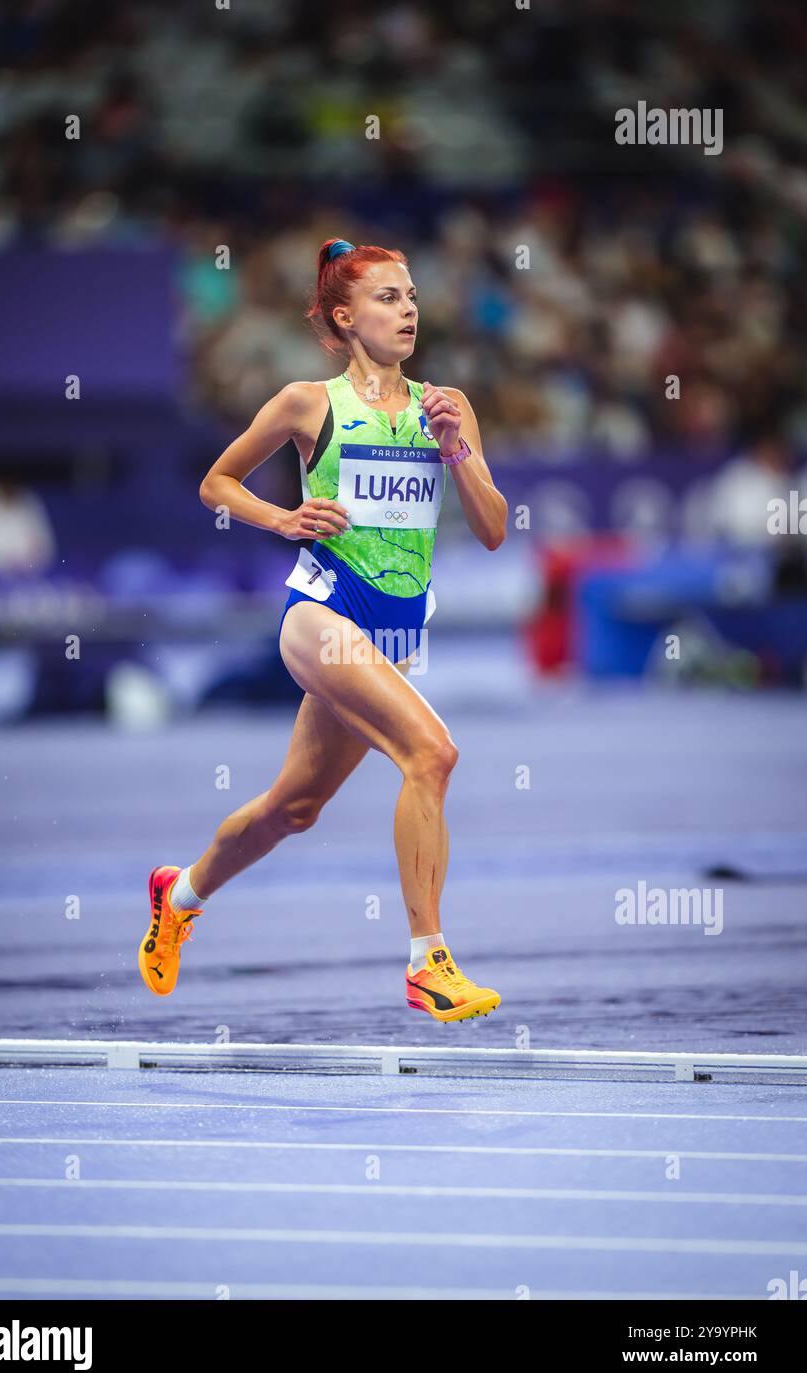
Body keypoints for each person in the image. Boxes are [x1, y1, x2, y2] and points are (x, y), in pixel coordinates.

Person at [138, 238, 508, 1022]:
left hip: (396, 638)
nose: (408, 310)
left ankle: (182, 891)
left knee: (292, 810)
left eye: (411, 296)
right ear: (345, 317)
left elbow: (494, 530)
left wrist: (458, 450)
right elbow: (217, 481)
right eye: (387, 299)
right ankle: (428, 963)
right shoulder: (309, 403)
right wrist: (284, 517)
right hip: (323, 615)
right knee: (432, 754)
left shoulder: (446, 407)